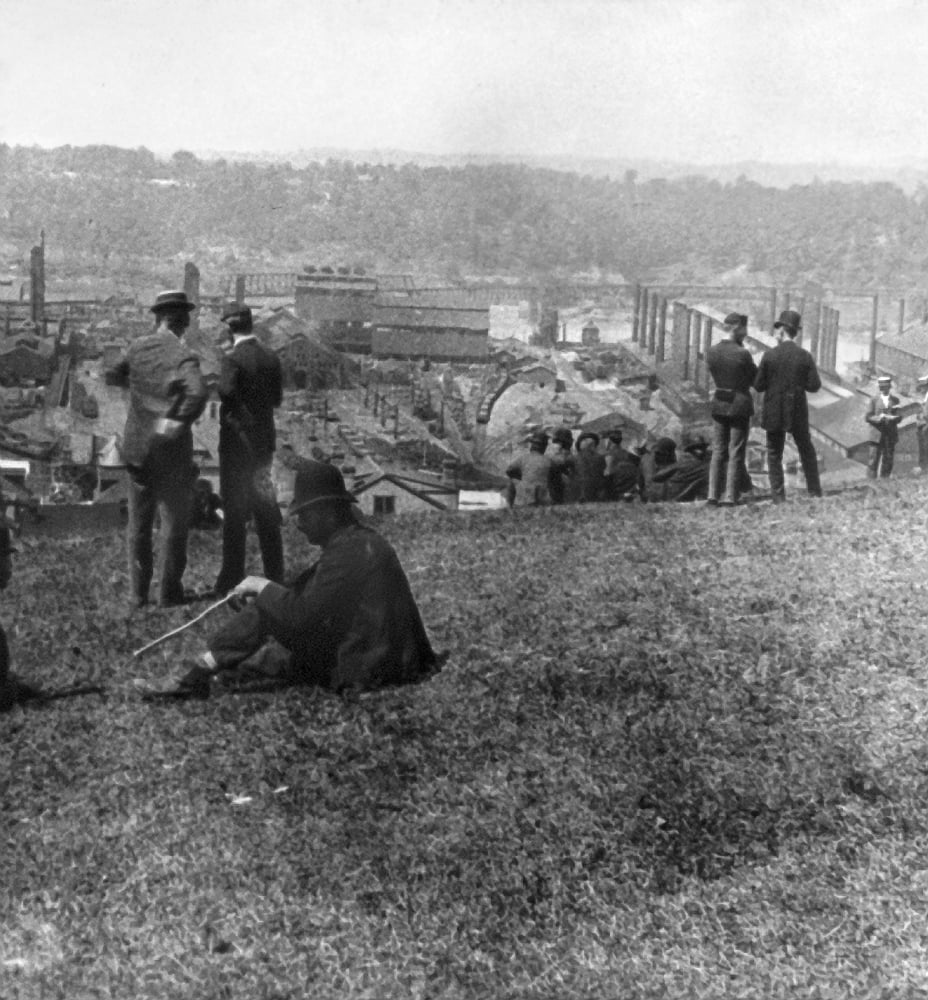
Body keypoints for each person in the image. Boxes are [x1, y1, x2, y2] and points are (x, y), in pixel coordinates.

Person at [139, 460, 443, 700]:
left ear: (328, 512)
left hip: (372, 665)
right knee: (273, 643)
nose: (298, 524)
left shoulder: (350, 551)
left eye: (304, 515)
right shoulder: (355, 543)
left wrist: (263, 588)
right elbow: (306, 598)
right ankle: (211, 672)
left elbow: (301, 614)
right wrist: (266, 594)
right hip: (382, 657)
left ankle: (195, 674)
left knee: (273, 629)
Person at [106, 290, 208, 607]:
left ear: (157, 317)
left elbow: (114, 373)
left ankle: (138, 595)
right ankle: (168, 593)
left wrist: (138, 401)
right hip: (171, 454)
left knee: (138, 525)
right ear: (183, 321)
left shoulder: (136, 347)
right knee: (173, 526)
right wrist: (172, 423)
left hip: (137, 449)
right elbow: (198, 393)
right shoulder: (182, 355)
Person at [213, 304, 285, 595]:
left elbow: (227, 392)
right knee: (266, 508)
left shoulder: (231, 359)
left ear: (230, 329)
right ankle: (275, 573)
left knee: (235, 512)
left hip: (236, 447)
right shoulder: (271, 358)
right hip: (263, 445)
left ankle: (231, 577)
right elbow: (277, 399)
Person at [753, 309, 822, 502]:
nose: (775, 332)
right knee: (806, 449)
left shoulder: (769, 355)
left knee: (774, 453)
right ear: (796, 332)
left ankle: (778, 497)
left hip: (774, 409)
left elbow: (758, 386)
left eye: (777, 329)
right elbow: (814, 386)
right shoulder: (804, 356)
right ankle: (815, 491)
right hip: (797, 410)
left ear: (783, 331)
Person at [706, 312, 757, 506]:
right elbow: (755, 379)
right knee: (736, 451)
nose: (746, 333)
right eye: (744, 329)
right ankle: (730, 496)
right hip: (739, 404)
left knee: (718, 450)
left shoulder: (711, 351)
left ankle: (712, 495)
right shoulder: (742, 353)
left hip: (719, 401)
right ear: (738, 328)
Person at [651, 431, 711, 502]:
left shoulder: (681, 464)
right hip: (697, 498)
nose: (700, 451)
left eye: (701, 447)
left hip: (679, 500)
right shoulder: (710, 462)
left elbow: (656, 477)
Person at [865, 374, 902, 479]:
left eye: (885, 387)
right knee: (873, 460)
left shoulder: (895, 400)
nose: (883, 389)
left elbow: (899, 417)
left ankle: (884, 481)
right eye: (881, 387)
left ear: (889, 387)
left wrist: (892, 418)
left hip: (890, 435)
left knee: (888, 459)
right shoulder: (874, 400)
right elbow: (868, 416)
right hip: (876, 435)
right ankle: (871, 482)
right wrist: (878, 418)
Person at [506, 431, 554, 506]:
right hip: (543, 500)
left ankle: (510, 507)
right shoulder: (549, 461)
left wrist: (520, 476)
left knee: (511, 481)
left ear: (532, 445)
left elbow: (509, 471)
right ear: (544, 446)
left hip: (525, 499)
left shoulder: (523, 458)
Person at [568, 431, 607, 502]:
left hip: (576, 495)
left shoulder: (574, 458)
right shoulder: (601, 458)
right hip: (595, 495)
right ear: (594, 445)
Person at [603, 430, 640, 501]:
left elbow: (607, 474)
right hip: (630, 491)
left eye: (605, 440)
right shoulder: (631, 456)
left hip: (615, 492)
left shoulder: (609, 456)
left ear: (609, 441)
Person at [638, 437, 678, 502]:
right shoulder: (645, 459)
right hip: (654, 501)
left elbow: (640, 483)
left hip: (658, 501)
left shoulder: (645, 458)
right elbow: (640, 483)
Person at [547, 426, 575, 505]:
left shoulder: (555, 458)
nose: (553, 444)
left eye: (555, 442)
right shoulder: (572, 456)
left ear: (560, 443)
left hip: (559, 496)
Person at [916, 374, 928, 470]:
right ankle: (923, 467)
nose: (921, 389)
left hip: (925, 425)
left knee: (925, 447)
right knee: (922, 448)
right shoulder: (925, 397)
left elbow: (926, 414)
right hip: (922, 425)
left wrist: (921, 416)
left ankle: (923, 468)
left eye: (923, 386)